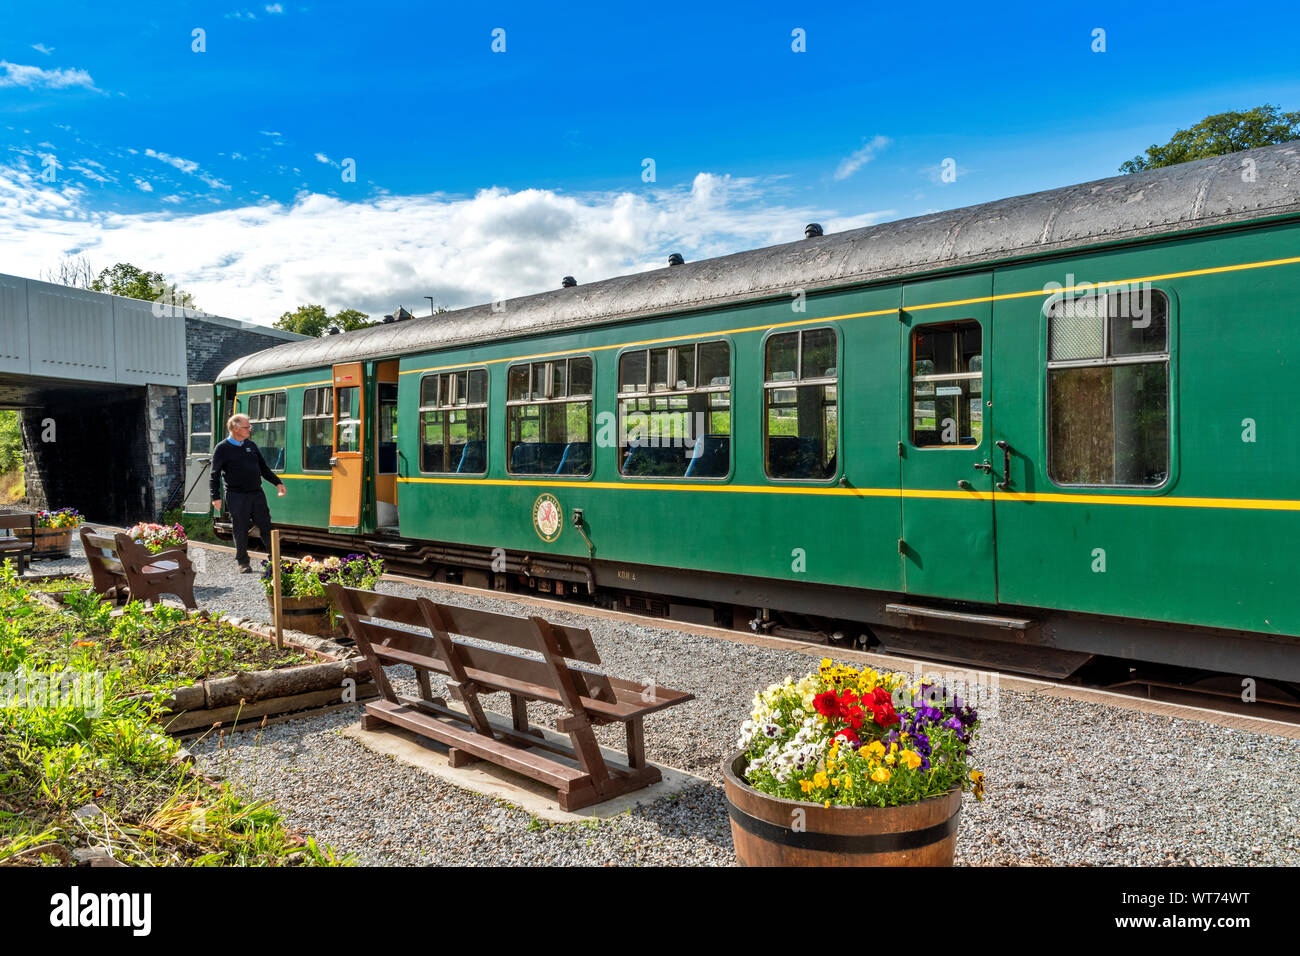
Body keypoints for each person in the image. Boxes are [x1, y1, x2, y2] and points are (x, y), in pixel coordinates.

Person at [210, 413, 287, 572]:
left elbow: (263, 468)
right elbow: (214, 474)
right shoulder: (222, 448)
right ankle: (243, 562)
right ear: (235, 428)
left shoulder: (250, 445)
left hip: (256, 493)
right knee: (240, 528)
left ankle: (275, 560)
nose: (249, 429)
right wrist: (215, 497)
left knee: (266, 525)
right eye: (246, 427)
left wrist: (277, 483)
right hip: (236, 495)